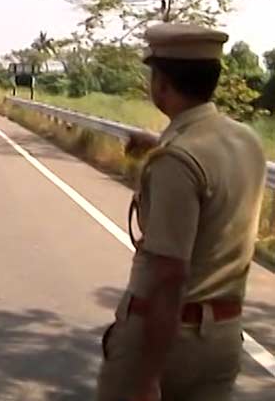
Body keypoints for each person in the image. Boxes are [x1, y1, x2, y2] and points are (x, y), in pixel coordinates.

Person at [97, 23, 266, 401]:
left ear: (161, 83)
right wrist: (159, 144)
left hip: (167, 342)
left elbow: (170, 275)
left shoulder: (176, 162)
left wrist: (147, 376)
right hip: (223, 339)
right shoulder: (246, 141)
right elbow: (206, 168)